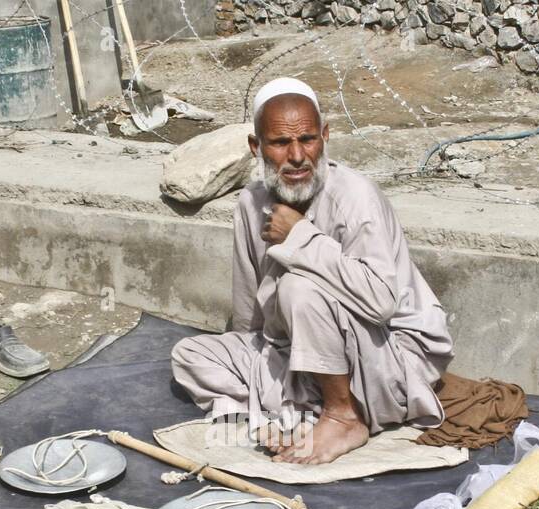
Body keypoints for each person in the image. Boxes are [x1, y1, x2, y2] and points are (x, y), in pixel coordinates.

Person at [170, 77, 452, 465]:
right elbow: (249, 318)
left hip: (386, 356)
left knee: (298, 288)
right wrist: (257, 368)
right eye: (281, 143)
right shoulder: (250, 203)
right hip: (301, 354)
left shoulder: (354, 197)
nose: (298, 156)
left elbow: (382, 303)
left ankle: (344, 416)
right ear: (257, 148)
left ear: (325, 136)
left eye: (308, 139)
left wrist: (300, 237)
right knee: (190, 354)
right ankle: (287, 414)